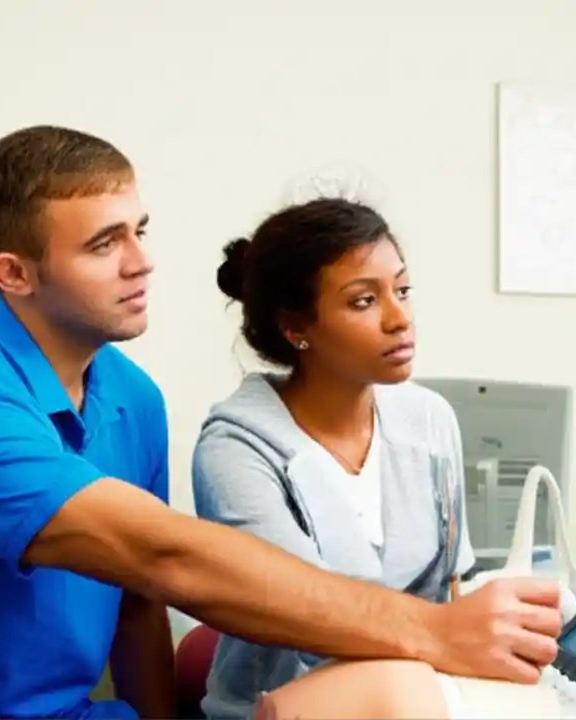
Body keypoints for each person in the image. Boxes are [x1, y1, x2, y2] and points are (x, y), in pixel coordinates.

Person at [0, 125, 563, 720]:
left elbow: (140, 604)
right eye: (103, 244)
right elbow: (161, 557)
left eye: (140, 231)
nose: (142, 261)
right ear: (14, 274)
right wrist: (438, 633)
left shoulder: (131, 395)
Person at [191, 197, 487, 717]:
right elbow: (311, 622)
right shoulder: (236, 450)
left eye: (402, 290)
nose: (400, 319)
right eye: (363, 301)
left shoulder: (429, 418)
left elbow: (451, 592)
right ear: (295, 328)